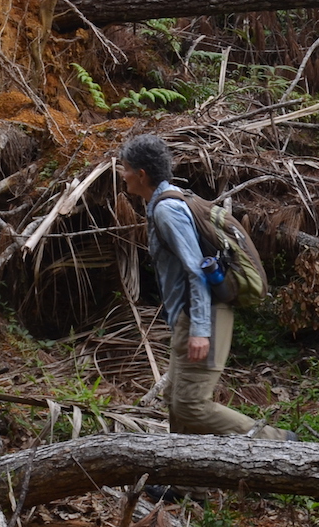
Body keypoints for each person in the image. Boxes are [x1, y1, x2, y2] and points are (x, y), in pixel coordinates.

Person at [117, 132, 292, 439]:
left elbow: (195, 270)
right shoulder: (167, 199)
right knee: (176, 400)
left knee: (189, 404)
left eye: (125, 167)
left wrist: (199, 330)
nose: (122, 174)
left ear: (141, 174)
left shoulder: (166, 210)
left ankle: (279, 443)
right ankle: (186, 485)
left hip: (205, 316)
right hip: (191, 316)